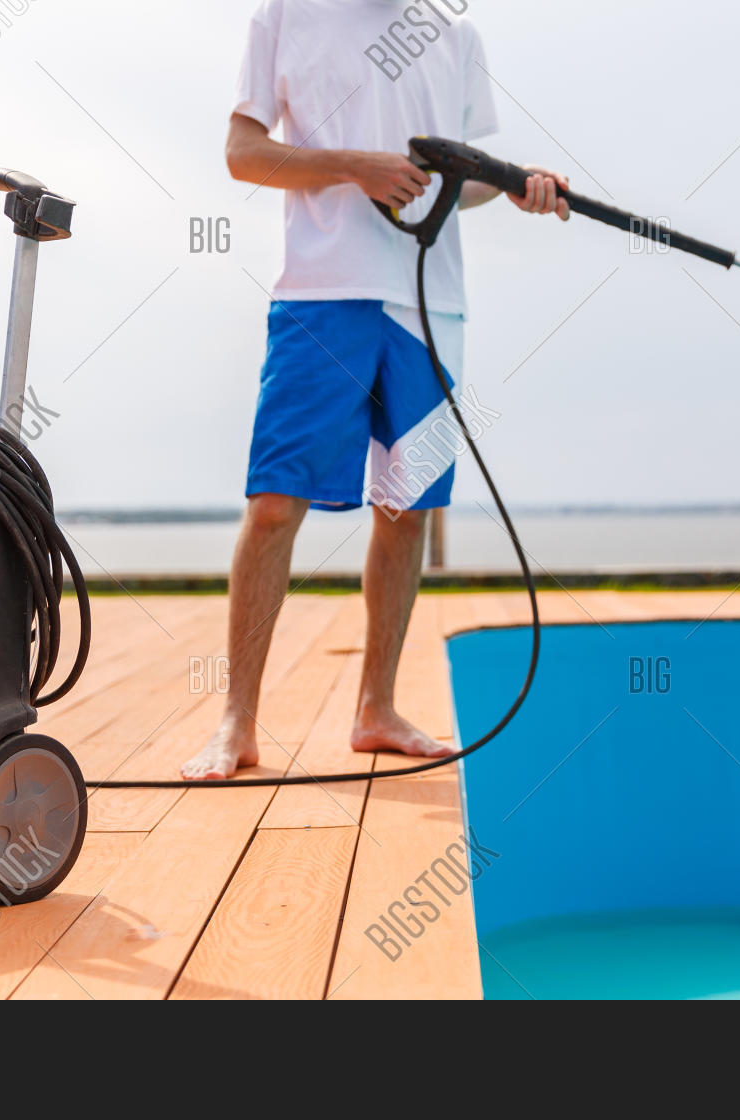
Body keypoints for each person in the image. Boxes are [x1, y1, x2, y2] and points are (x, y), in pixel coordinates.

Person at [182, 0, 568, 779]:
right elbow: (243, 154)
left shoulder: (457, 34)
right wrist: (354, 166)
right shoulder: (284, 13)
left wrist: (515, 186)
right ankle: (236, 723)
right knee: (275, 504)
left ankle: (376, 709)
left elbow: (459, 184)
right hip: (320, 298)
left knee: (407, 511)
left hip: (431, 309)